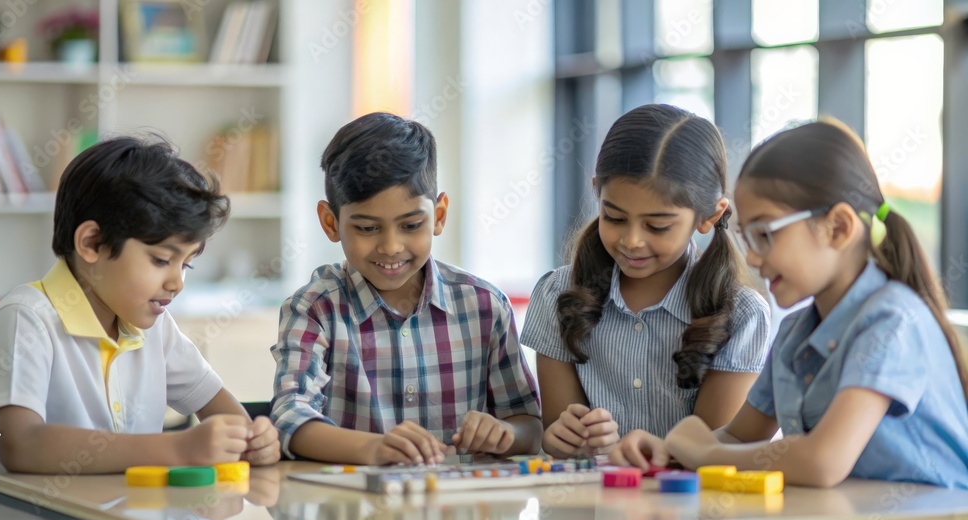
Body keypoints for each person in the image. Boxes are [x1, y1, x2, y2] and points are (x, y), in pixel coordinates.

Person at [0, 136, 280, 520]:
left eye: (185, 263)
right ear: (92, 244)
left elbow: (222, 411)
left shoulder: (154, 328)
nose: (177, 282)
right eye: (160, 260)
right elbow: (21, 445)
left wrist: (250, 440)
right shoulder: (27, 318)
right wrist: (180, 449)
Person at [621, 120, 968, 498]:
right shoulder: (794, 333)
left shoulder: (892, 322)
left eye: (766, 234)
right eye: (746, 237)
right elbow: (739, 435)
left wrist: (706, 453)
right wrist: (670, 453)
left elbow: (822, 461)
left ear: (837, 227)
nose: (752, 257)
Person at [270, 112, 542, 465]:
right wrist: (373, 448)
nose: (391, 247)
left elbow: (529, 426)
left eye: (411, 225)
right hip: (350, 515)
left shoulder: (484, 306)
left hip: (457, 514)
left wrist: (505, 435)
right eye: (367, 229)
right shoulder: (315, 309)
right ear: (330, 222)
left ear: (439, 215)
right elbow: (290, 419)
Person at [521, 104, 770, 460]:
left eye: (657, 226)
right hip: (590, 508)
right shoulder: (558, 295)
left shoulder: (740, 315)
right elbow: (557, 435)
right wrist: (565, 437)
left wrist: (642, 454)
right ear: (598, 194)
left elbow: (714, 453)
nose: (632, 240)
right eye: (614, 217)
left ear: (709, 216)